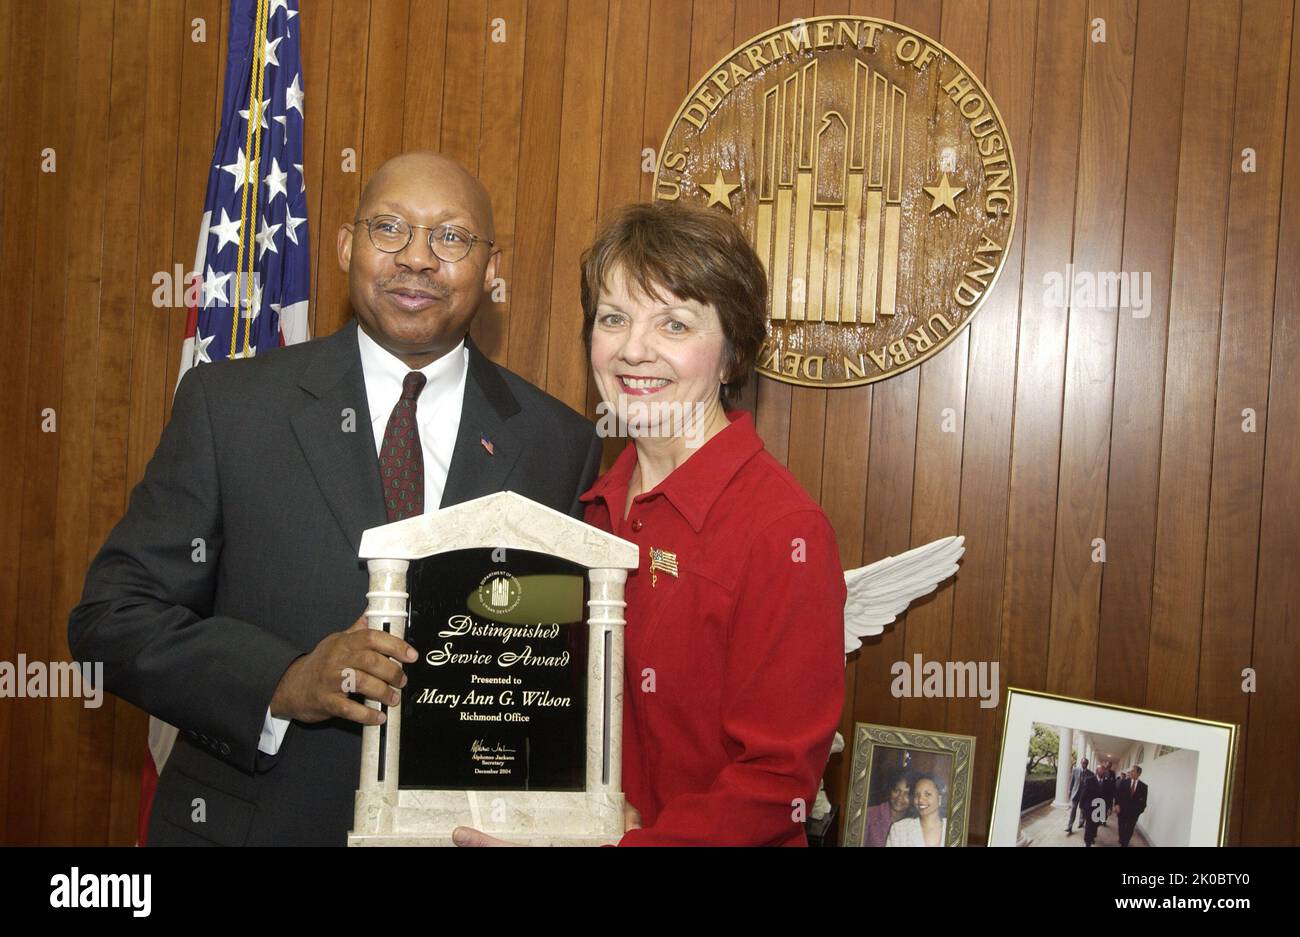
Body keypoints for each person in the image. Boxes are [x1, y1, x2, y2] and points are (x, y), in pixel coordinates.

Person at [68, 152, 603, 846]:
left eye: (451, 237)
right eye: (389, 229)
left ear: (493, 268)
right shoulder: (230, 408)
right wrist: (284, 679)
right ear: (348, 247)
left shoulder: (559, 443)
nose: (417, 259)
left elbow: (559, 670)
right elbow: (110, 621)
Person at [454, 200, 845, 846]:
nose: (634, 349)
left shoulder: (783, 531)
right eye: (614, 318)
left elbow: (776, 787)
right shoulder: (584, 509)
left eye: (675, 323)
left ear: (732, 354)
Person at [885, 774, 947, 847]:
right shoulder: (899, 829)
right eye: (917, 795)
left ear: (940, 799)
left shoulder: (952, 827)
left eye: (927, 794)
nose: (920, 799)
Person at [865, 770, 912, 847]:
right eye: (897, 790)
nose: (900, 797)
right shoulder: (869, 815)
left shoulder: (913, 824)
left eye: (907, 794)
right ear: (890, 791)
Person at [1114, 766, 1148, 847]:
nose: (1131, 772)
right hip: (1122, 810)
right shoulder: (1124, 782)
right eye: (1131, 771)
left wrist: (1138, 812)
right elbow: (1118, 795)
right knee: (1121, 827)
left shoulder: (1143, 787)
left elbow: (1143, 803)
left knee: (1129, 829)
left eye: (1133, 771)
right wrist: (1117, 804)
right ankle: (1122, 839)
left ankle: (1124, 843)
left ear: (1138, 773)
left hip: (1133, 813)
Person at [1081, 764, 1106, 847]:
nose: (1103, 771)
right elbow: (1084, 793)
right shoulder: (1089, 780)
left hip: (1100, 808)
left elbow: (1108, 796)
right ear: (1097, 771)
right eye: (1101, 769)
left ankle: (1092, 837)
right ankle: (1087, 842)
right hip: (1089, 807)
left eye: (1104, 770)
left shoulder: (1106, 782)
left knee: (1095, 824)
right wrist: (1082, 806)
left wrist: (1108, 807)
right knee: (1088, 825)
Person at [1066, 756, 1089, 833]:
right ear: (1081, 763)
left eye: (1085, 763)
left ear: (1087, 764)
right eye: (1083, 762)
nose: (1084, 764)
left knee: (1083, 810)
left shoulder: (1089, 773)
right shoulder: (1075, 770)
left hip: (1084, 795)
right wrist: (1070, 790)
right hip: (1076, 794)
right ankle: (1069, 827)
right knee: (1073, 810)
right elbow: (1072, 781)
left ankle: (1081, 822)